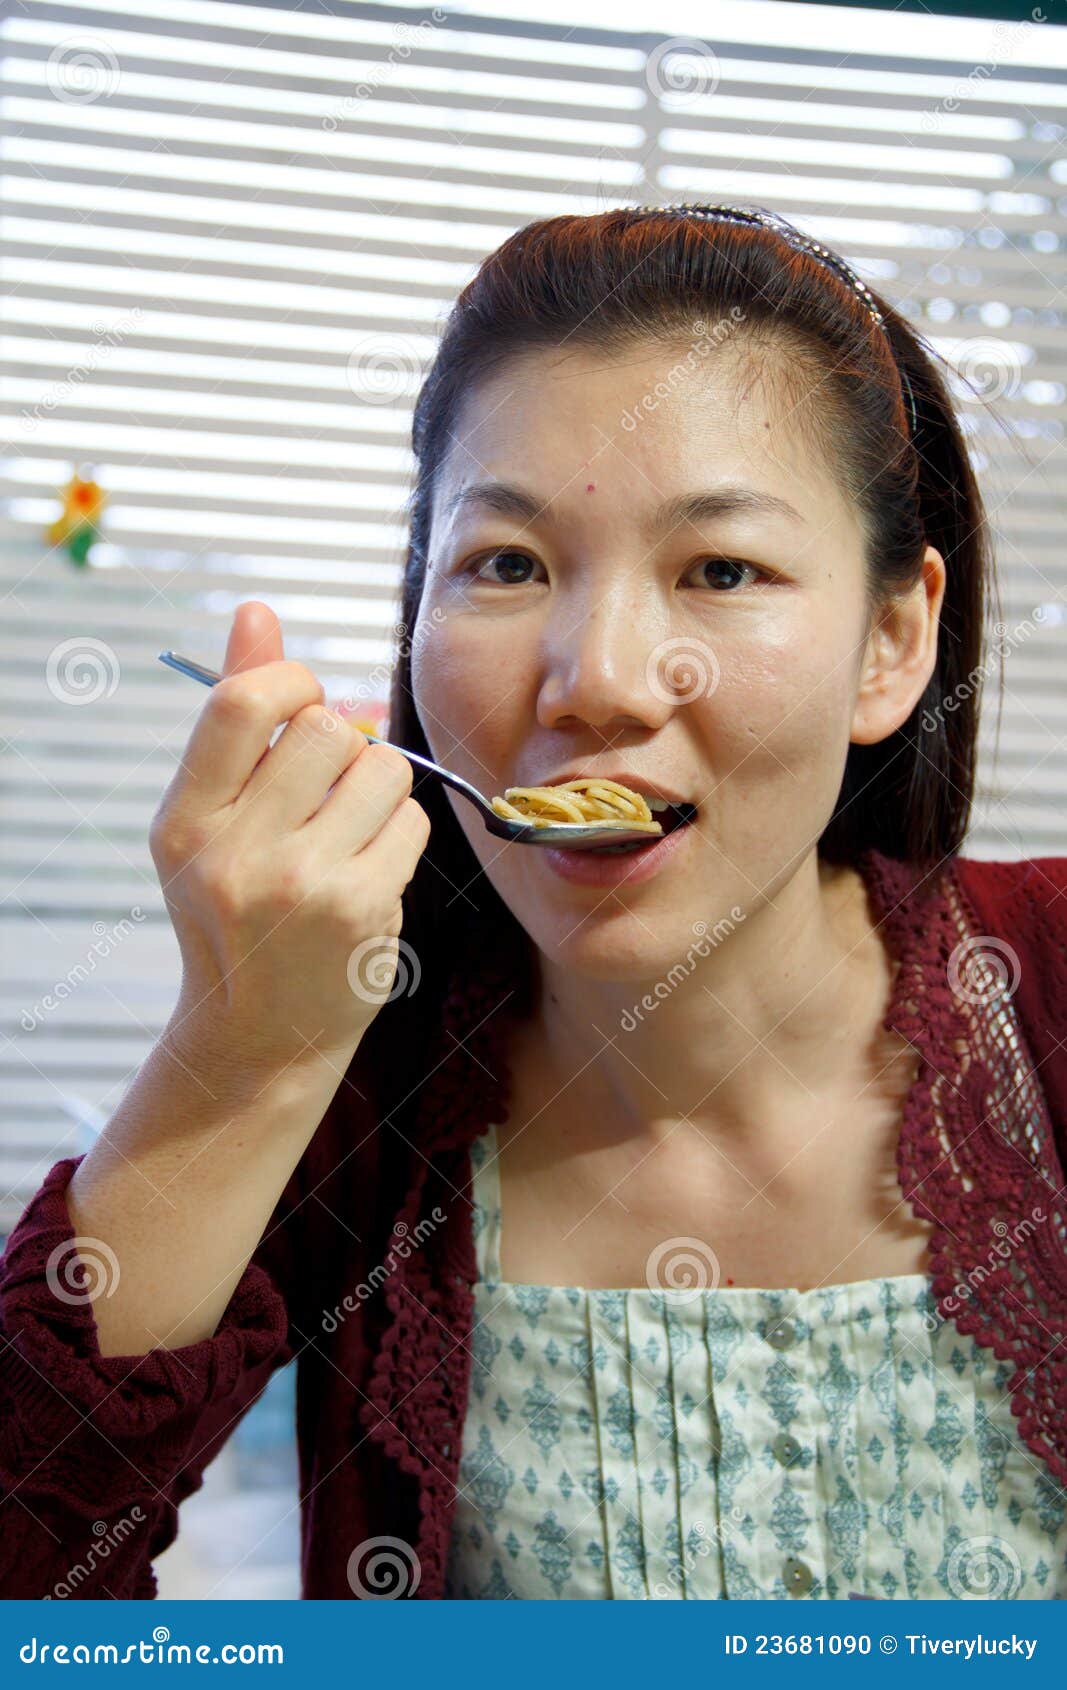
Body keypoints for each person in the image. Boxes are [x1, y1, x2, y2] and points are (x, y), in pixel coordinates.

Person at [2, 204, 1066, 1602]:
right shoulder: (353, 1078)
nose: (598, 680)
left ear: (892, 639)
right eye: (505, 563)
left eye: (721, 569)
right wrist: (240, 1054)